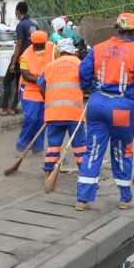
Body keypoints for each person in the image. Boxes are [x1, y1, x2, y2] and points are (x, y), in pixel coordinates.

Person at [76, 13, 134, 211]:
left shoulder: (98, 48)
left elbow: (83, 74)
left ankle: (82, 199)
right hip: (121, 106)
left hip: (96, 104)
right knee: (121, 151)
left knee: (93, 150)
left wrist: (89, 86)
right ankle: (124, 198)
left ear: (117, 29)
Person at [38, 38, 86, 175]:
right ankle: (85, 176)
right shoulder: (79, 64)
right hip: (74, 113)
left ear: (59, 51)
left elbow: (40, 85)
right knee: (80, 146)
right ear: (72, 51)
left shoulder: (50, 65)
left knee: (53, 146)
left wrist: (48, 99)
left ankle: (48, 173)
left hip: (54, 113)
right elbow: (87, 82)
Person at [16, 29, 54, 156]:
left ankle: (37, 148)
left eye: (41, 46)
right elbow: (25, 75)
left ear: (45, 43)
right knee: (31, 118)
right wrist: (41, 79)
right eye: (36, 47)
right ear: (32, 44)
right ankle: (21, 146)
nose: (38, 49)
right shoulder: (26, 55)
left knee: (41, 119)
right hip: (30, 89)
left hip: (45, 89)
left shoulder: (52, 48)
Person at [0, 1, 37, 116]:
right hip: (29, 60)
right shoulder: (34, 25)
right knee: (19, 83)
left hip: (20, 58)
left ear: (17, 11)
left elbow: (19, 45)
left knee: (6, 81)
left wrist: (13, 63)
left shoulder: (21, 25)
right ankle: (13, 107)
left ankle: (4, 108)